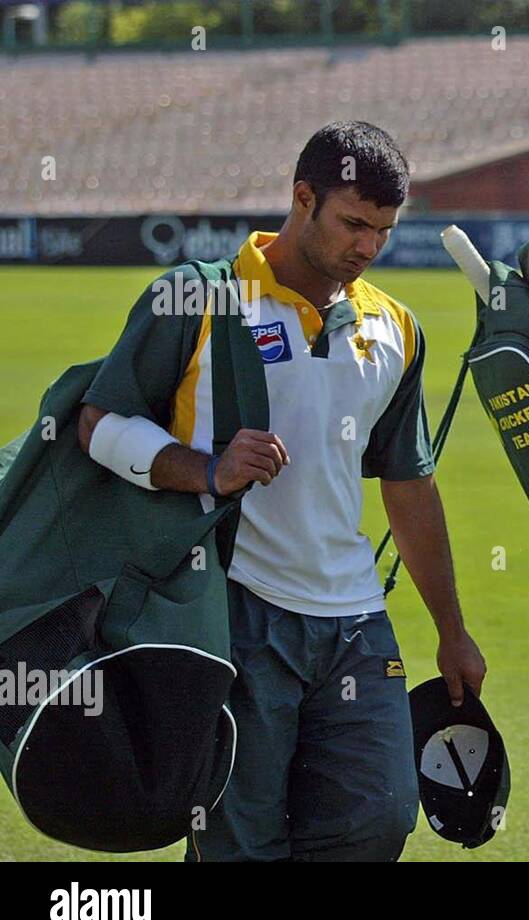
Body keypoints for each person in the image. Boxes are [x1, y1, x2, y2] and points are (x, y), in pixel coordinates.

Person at [77, 120, 486, 861]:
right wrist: (203, 469)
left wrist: (451, 630)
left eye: (384, 232)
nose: (367, 247)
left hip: (355, 622)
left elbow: (409, 484)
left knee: (378, 819)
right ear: (303, 198)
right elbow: (98, 425)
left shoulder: (396, 328)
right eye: (354, 224)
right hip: (234, 614)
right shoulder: (196, 300)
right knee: (238, 838)